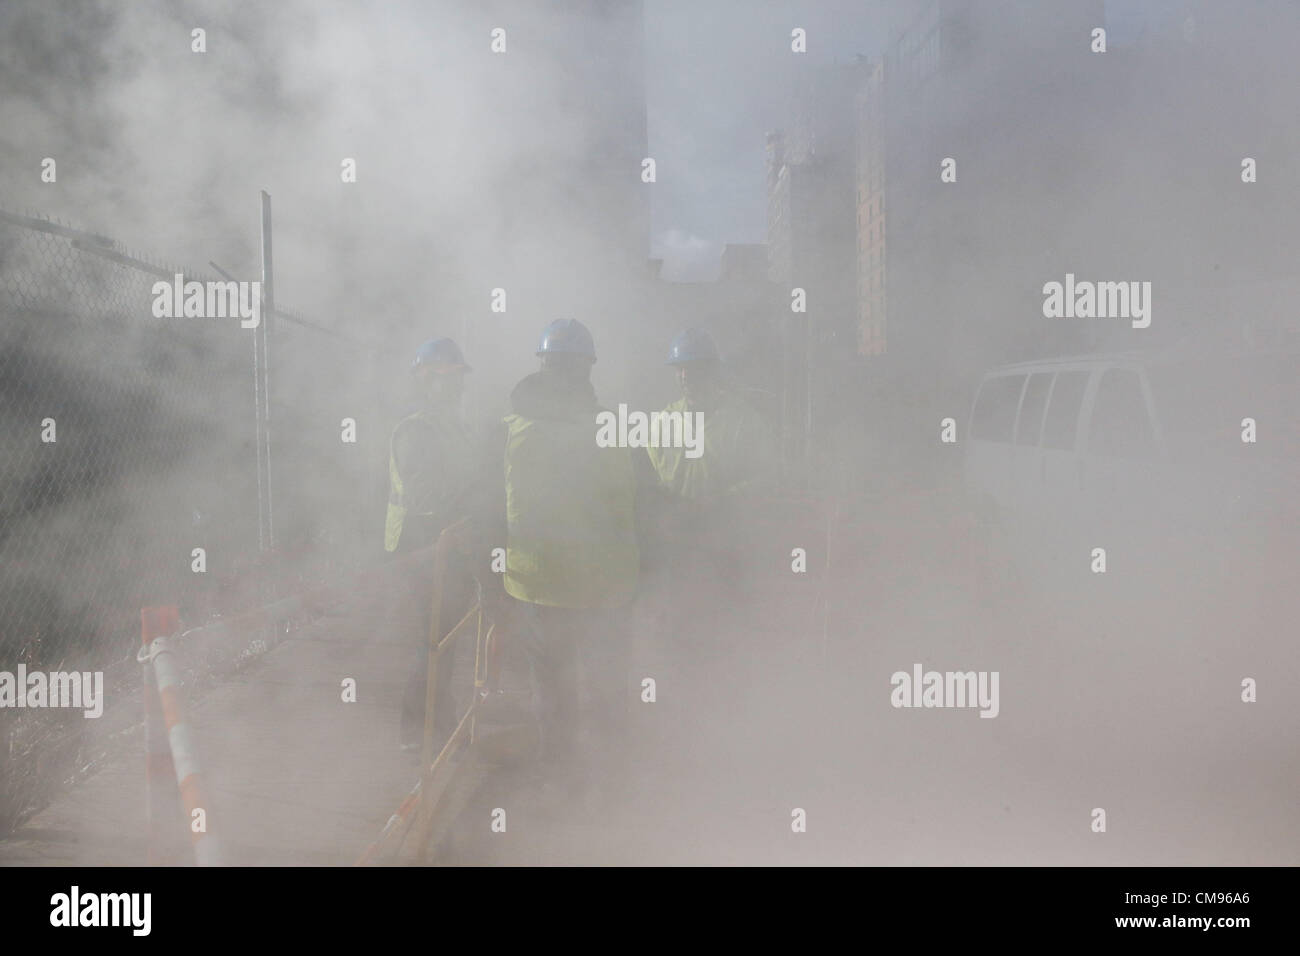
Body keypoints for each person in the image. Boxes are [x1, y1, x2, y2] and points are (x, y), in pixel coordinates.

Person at [502, 318, 639, 810]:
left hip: (539, 585)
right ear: (588, 368)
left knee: (553, 691)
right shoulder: (609, 429)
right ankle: (607, 782)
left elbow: (487, 506)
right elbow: (629, 505)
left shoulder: (511, 428)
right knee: (603, 686)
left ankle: (560, 780)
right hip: (600, 586)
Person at [387, 337, 477, 752]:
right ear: (425, 380)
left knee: (446, 637)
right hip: (421, 547)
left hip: (450, 545)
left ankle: (439, 719)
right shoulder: (416, 430)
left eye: (459, 376)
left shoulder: (452, 426)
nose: (457, 385)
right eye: (447, 377)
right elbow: (425, 497)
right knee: (433, 640)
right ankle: (414, 732)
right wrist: (472, 503)